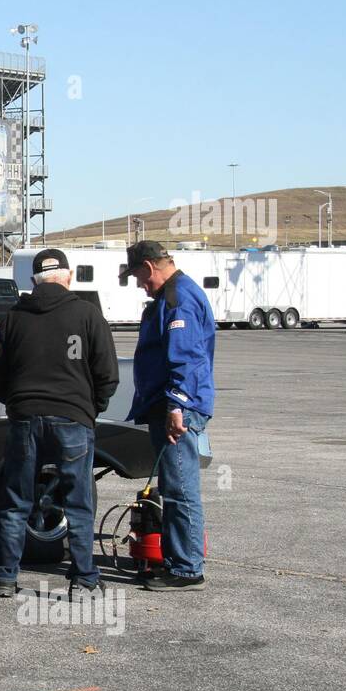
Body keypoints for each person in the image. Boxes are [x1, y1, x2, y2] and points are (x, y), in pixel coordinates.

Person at [0, 248, 120, 599]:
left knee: (16, 500)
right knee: (77, 503)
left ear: (33, 281)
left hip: (24, 419)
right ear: (69, 276)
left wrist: (18, 405)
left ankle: (4, 578)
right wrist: (89, 409)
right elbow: (107, 374)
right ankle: (84, 580)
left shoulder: (14, 318)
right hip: (73, 420)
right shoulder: (87, 315)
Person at [121, 241, 216, 591]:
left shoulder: (179, 300)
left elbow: (186, 356)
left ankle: (188, 568)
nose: (138, 284)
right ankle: (179, 560)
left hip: (177, 407)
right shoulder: (171, 297)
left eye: (137, 276)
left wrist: (177, 405)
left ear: (149, 266)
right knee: (175, 487)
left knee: (180, 489)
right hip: (168, 405)